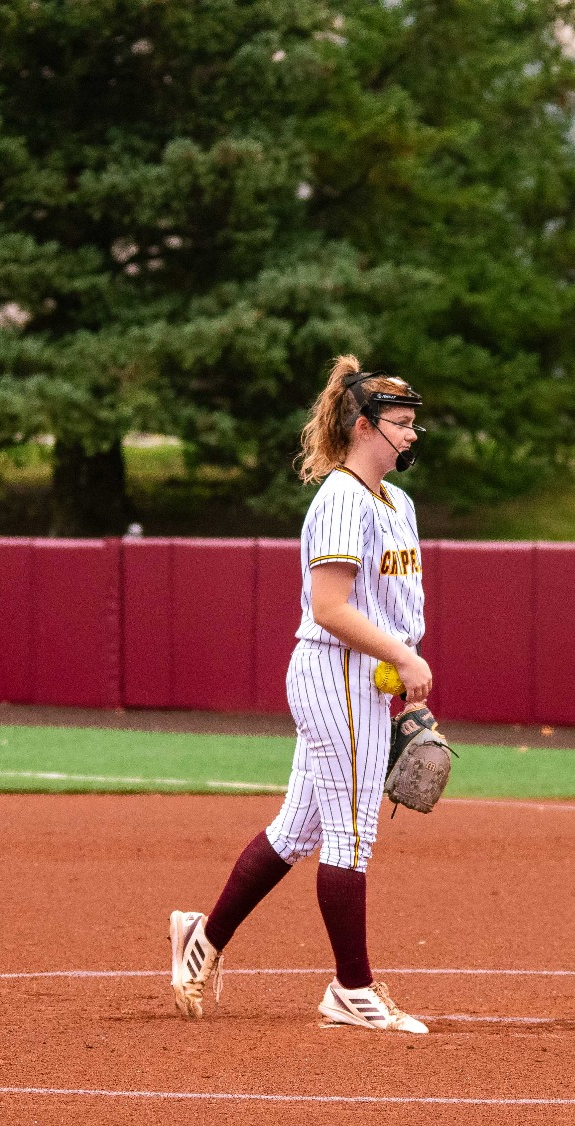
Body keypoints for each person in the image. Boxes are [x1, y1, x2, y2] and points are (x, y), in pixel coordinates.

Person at [167, 356, 433, 1033]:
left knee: (299, 829)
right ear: (364, 426)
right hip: (337, 671)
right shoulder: (341, 498)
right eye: (401, 424)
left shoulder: (394, 502)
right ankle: (352, 989)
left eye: (412, 424)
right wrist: (403, 656)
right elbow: (330, 606)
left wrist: (402, 667)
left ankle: (203, 936)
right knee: (350, 836)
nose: (411, 435)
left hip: (365, 677)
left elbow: (385, 601)